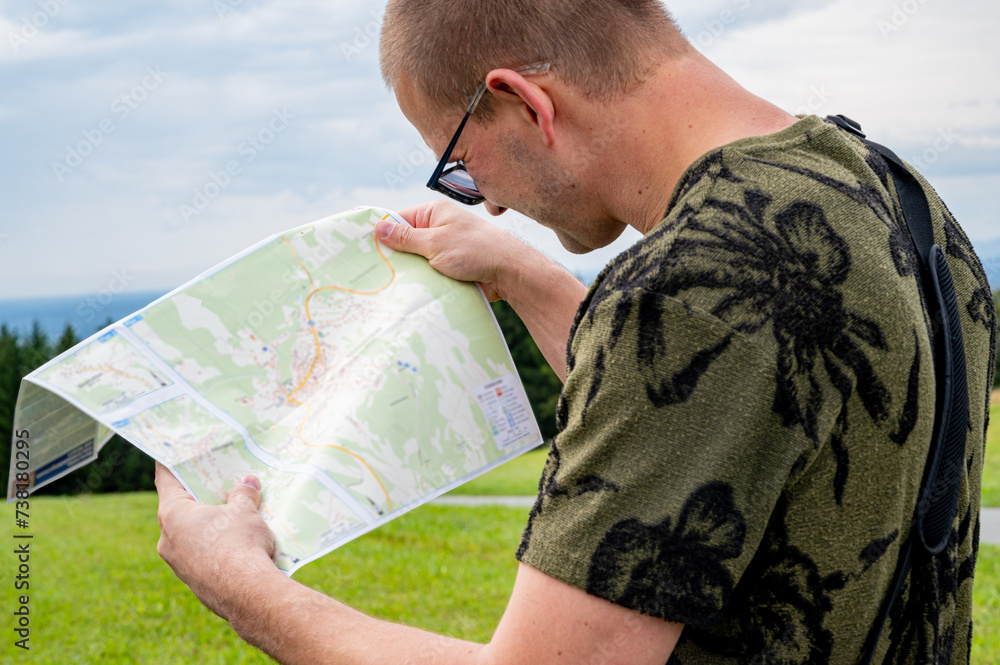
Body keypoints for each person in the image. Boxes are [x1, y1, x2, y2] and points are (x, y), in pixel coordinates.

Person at [155, 1, 997, 663]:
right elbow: (719, 413)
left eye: (457, 158)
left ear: (524, 102)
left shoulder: (691, 286)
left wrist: (239, 580)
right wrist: (522, 275)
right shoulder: (886, 188)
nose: (480, 199)